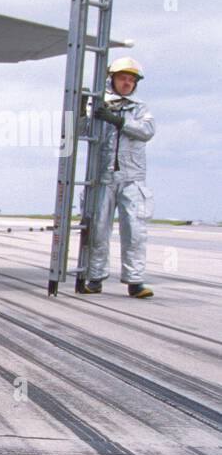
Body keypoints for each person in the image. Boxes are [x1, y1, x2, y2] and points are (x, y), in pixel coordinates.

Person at [78, 57, 156, 297]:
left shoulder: (139, 108)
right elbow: (79, 131)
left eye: (131, 80)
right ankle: (95, 278)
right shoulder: (99, 106)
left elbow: (147, 131)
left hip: (132, 180)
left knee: (134, 230)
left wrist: (119, 120)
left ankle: (135, 282)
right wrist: (83, 108)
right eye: (123, 78)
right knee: (98, 229)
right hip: (103, 179)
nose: (127, 83)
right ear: (112, 79)